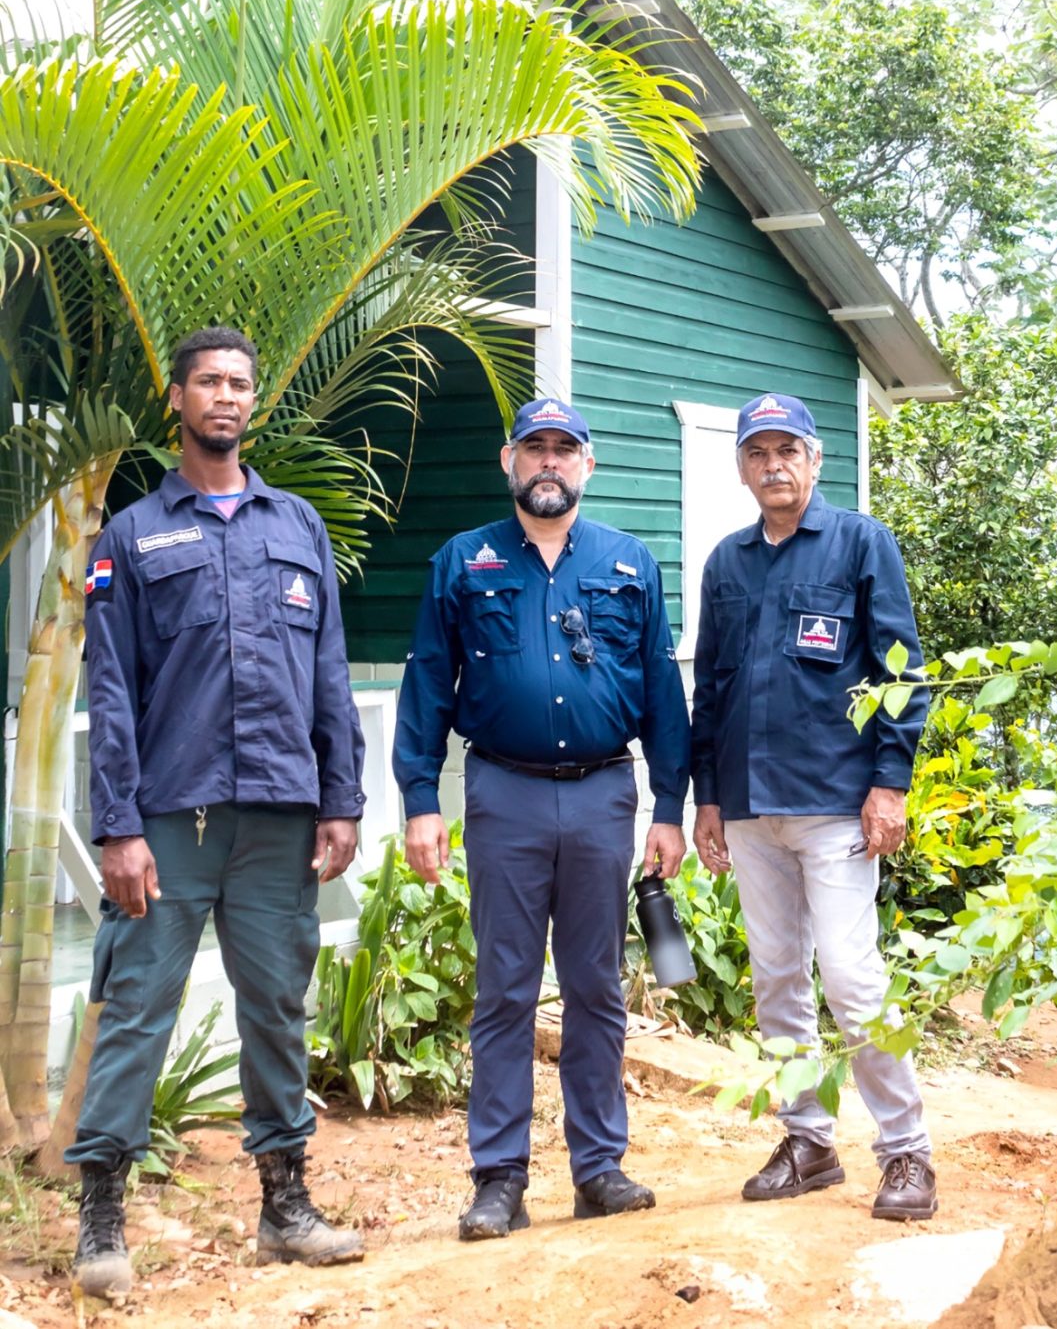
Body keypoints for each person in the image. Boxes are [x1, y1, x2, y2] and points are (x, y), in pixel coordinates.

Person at [69, 326, 367, 1297]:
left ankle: (285, 1206)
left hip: (279, 817)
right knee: (136, 1011)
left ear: (253, 401)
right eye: (209, 382)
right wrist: (115, 825)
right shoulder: (134, 537)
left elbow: (328, 672)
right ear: (179, 399)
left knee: (278, 1008)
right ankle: (101, 1220)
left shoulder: (298, 529)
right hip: (168, 822)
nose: (226, 397)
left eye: (240, 382)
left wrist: (341, 799)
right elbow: (109, 691)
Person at [392, 396, 690, 1241]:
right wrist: (421, 799)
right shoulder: (465, 560)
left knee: (597, 987)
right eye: (536, 449)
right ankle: (499, 1180)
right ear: (509, 461)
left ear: (586, 465)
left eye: (566, 449)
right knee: (506, 991)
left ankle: (599, 1167)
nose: (550, 462)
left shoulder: (630, 563)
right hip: (503, 793)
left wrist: (671, 806)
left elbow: (663, 691)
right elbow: (425, 685)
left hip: (604, 795)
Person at [691, 392, 937, 1221]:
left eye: (787, 450)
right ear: (742, 467)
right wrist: (709, 799)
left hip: (837, 805)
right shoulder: (726, 562)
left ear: (815, 458)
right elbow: (710, 688)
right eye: (758, 453)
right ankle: (809, 1141)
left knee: (853, 979)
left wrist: (891, 781)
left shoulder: (862, 543)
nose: (774, 466)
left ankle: (905, 1151)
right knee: (777, 982)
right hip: (753, 811)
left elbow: (902, 669)